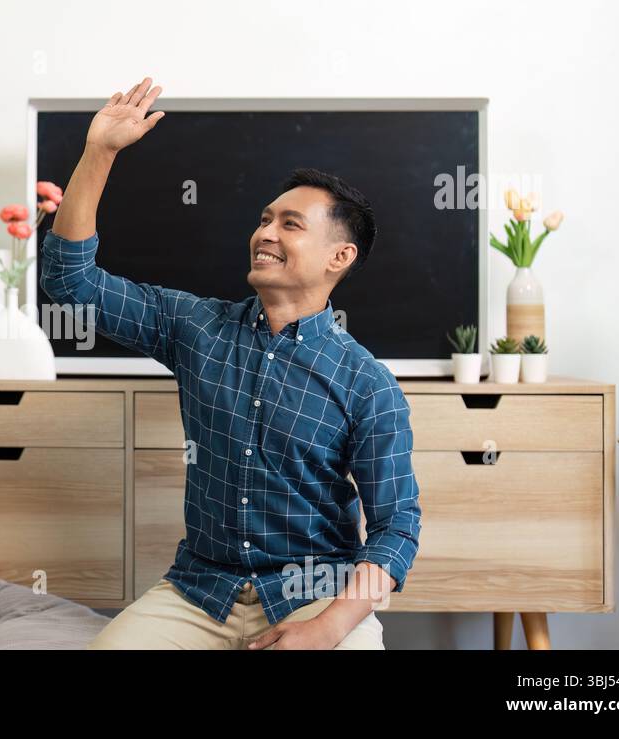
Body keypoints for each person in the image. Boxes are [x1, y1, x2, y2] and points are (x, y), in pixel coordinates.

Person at [41, 77, 421, 650]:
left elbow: (396, 530)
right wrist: (100, 152)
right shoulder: (195, 326)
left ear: (338, 257)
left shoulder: (366, 383)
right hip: (201, 591)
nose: (264, 232)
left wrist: (327, 628)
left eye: (289, 224)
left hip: (314, 595)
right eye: (264, 219)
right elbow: (70, 283)